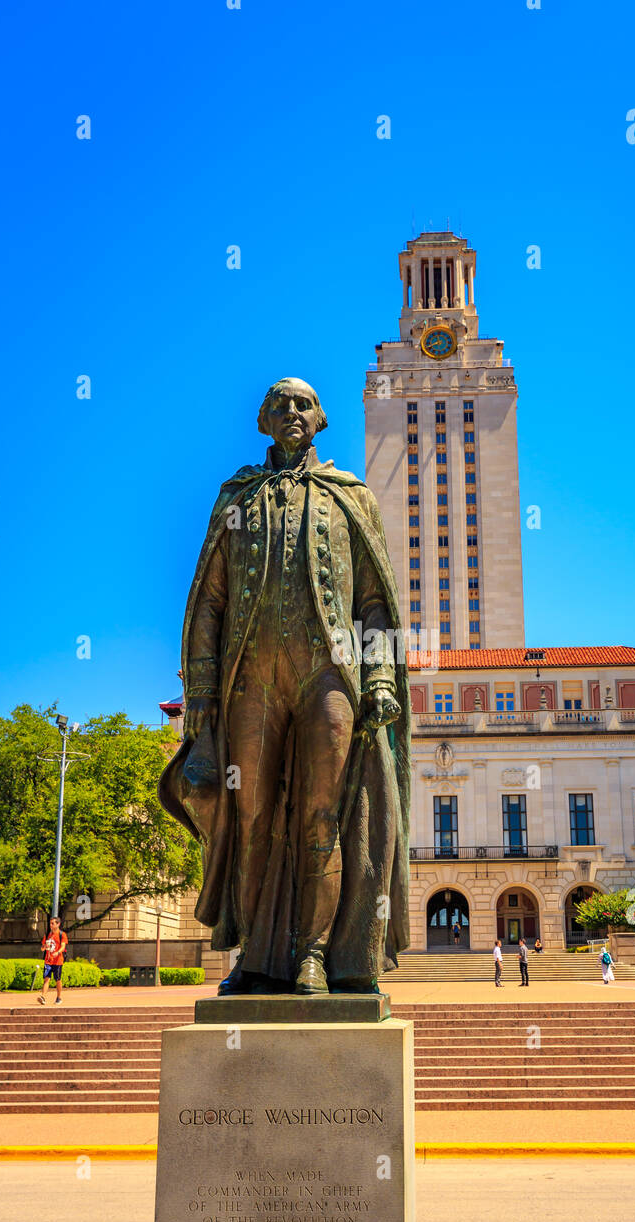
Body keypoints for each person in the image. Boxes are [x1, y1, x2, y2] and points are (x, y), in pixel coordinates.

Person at [159, 378, 410, 996]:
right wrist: (202, 691)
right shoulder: (236, 496)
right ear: (264, 418)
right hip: (252, 681)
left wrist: (379, 675)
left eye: (304, 404)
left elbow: (375, 603)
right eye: (281, 404)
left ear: (321, 419)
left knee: (325, 818)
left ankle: (316, 955)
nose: (293, 412)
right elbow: (209, 600)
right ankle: (256, 953)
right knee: (251, 817)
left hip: (330, 675)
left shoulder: (350, 497)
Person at [39, 917, 68, 1005]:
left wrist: (58, 952)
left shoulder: (62, 934)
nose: (51, 925)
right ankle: (43, 997)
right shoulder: (48, 934)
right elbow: (42, 947)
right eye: (50, 923)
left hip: (58, 961)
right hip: (48, 961)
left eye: (53, 923)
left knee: (57, 979)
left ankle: (59, 997)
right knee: (46, 979)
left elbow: (63, 946)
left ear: (58, 924)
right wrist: (43, 947)